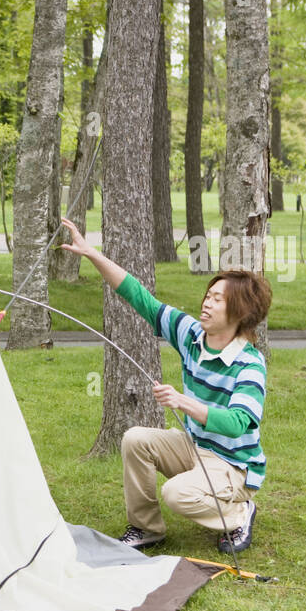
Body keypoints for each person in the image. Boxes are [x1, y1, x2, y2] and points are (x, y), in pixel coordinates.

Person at [58, 218, 272, 555]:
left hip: (233, 465)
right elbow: (139, 297)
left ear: (240, 312)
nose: (207, 302)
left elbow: (238, 423)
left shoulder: (249, 363)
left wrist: (182, 402)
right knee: (136, 440)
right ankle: (146, 528)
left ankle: (239, 512)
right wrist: (91, 254)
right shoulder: (190, 334)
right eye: (208, 295)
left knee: (176, 494)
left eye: (218, 299)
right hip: (193, 447)